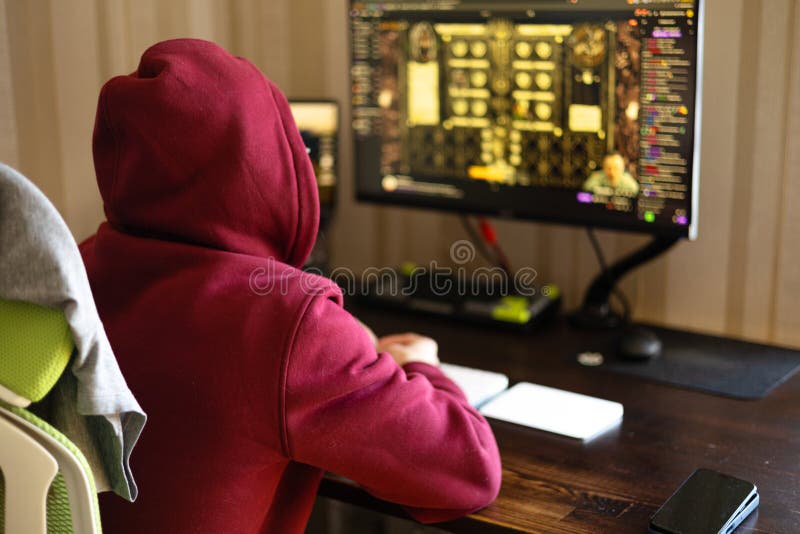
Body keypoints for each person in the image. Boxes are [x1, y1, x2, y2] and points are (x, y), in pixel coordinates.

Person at [80, 39, 501, 533]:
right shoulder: (284, 320)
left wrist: (338, 349)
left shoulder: (76, 271)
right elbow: (468, 469)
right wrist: (423, 365)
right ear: (264, 159)